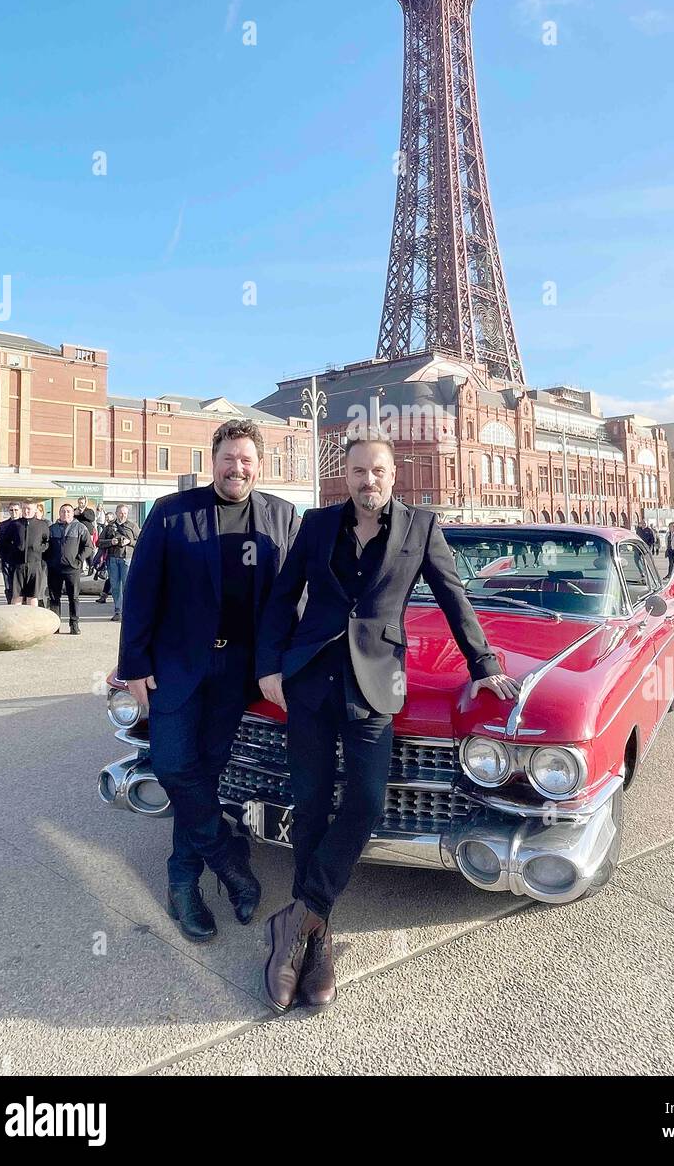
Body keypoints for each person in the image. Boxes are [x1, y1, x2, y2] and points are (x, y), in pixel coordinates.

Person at [256, 430, 520, 1015]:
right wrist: (270, 666)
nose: (367, 481)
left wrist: (483, 664)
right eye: (357, 472)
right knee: (311, 800)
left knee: (368, 801)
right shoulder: (317, 525)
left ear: (392, 475)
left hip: (374, 682)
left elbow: (454, 598)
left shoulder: (421, 527)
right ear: (343, 475)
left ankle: (301, 919)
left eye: (377, 471)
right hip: (309, 678)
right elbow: (282, 597)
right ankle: (315, 941)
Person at [118, 420, 299, 943]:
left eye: (245, 459)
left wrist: (286, 663)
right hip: (175, 667)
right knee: (174, 766)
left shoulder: (281, 517)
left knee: (207, 771)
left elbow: (288, 601)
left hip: (237, 673)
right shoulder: (172, 513)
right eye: (227, 458)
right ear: (212, 460)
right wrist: (134, 662)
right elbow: (142, 590)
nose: (236, 468)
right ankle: (229, 858)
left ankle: (182, 881)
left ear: (259, 465)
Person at [46, 504, 94, 634]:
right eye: (63, 511)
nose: (65, 514)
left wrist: (79, 559)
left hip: (72, 569)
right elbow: (45, 547)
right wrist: (48, 561)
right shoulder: (52, 529)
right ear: (59, 513)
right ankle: (55, 625)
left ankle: (74, 624)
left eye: (68, 512)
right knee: (54, 598)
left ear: (73, 513)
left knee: (74, 598)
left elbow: (89, 547)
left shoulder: (80, 528)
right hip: (54, 569)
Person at [1, 501, 49, 605]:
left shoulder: (42, 525)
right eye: (24, 509)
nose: (26, 511)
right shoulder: (15, 525)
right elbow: (4, 542)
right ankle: (16, 619)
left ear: (35, 509)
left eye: (29, 509)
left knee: (32, 597)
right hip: (18, 565)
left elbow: (47, 542)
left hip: (35, 565)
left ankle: (31, 620)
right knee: (17, 596)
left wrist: (40, 549)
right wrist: (11, 555)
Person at [99, 505, 138, 622]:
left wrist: (129, 541)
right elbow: (99, 542)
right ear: (116, 513)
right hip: (112, 559)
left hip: (127, 559)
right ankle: (118, 611)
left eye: (125, 513)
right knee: (115, 586)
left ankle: (128, 611)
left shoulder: (132, 526)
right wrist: (111, 541)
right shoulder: (110, 526)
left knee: (127, 586)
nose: (123, 515)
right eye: (121, 513)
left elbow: (141, 541)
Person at [0, 503, 22, 601]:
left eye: (16, 510)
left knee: (19, 586)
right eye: (11, 510)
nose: (14, 512)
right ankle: (10, 602)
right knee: (8, 585)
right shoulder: (3, 525)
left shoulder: (24, 523)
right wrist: (1, 554)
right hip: (6, 559)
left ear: (20, 511)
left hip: (20, 560)